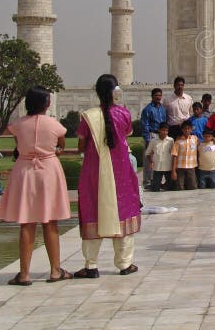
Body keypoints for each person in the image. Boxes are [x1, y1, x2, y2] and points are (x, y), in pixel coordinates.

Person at [0, 86, 73, 284]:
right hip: (48, 171)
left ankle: (24, 274)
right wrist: (52, 151)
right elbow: (61, 145)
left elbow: (18, 145)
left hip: (24, 171)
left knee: (27, 222)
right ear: (46, 103)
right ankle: (56, 271)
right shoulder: (54, 124)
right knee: (50, 221)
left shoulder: (18, 125)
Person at [75, 74, 141, 278]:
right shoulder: (123, 114)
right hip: (121, 172)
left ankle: (91, 265)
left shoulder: (88, 116)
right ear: (115, 92)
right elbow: (124, 135)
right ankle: (125, 264)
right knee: (122, 211)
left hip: (94, 173)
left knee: (93, 212)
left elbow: (81, 145)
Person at [140, 88, 166, 189]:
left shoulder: (163, 109)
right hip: (152, 135)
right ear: (152, 96)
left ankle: (156, 180)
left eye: (159, 95)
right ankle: (147, 181)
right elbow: (144, 124)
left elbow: (164, 122)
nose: (158, 97)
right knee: (148, 159)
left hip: (161, 135)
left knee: (158, 158)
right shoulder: (148, 109)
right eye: (156, 95)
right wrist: (147, 139)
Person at [144, 122, 173, 192]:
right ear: (159, 130)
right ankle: (154, 185)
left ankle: (160, 185)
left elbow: (173, 153)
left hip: (168, 166)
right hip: (157, 167)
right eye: (163, 130)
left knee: (171, 188)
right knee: (155, 189)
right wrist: (151, 162)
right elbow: (147, 153)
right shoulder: (153, 141)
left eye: (166, 131)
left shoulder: (171, 140)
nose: (164, 132)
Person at [171, 120, 199, 190]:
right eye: (185, 128)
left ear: (191, 129)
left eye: (188, 128)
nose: (187, 130)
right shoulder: (178, 141)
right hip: (180, 167)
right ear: (182, 130)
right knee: (180, 187)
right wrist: (173, 171)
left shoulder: (195, 139)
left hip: (191, 167)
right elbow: (174, 156)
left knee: (193, 187)